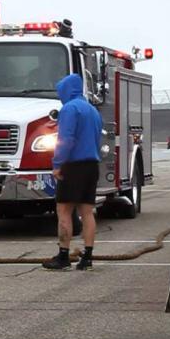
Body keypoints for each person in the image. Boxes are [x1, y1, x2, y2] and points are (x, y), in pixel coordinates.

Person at [42, 74, 103, 271]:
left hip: (73, 165)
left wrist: (57, 164)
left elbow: (65, 139)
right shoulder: (92, 110)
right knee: (87, 211)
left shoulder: (69, 108)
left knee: (64, 211)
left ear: (66, 90)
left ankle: (63, 255)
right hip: (92, 164)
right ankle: (88, 256)